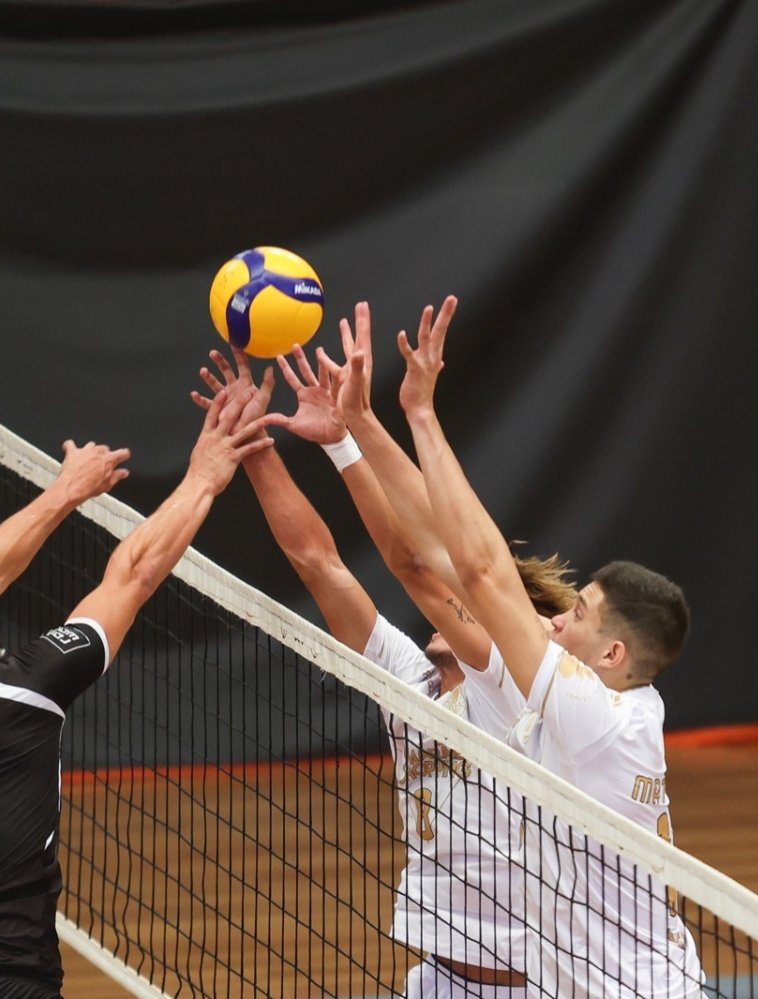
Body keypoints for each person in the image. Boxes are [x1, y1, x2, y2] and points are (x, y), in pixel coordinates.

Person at [0, 390, 270, 998]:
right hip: (6, 983)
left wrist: (66, 492)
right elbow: (134, 573)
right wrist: (205, 477)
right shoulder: (20, 696)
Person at [196, 345, 574, 997]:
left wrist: (348, 443)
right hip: (436, 978)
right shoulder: (413, 686)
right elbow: (320, 563)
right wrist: (256, 444)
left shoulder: (518, 694)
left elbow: (420, 567)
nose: (449, 614)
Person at [352, 295, 703, 996]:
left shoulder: (594, 718)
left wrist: (421, 413)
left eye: (575, 613)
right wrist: (358, 424)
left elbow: (480, 572)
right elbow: (438, 560)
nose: (551, 621)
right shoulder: (613, 704)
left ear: (611, 656)